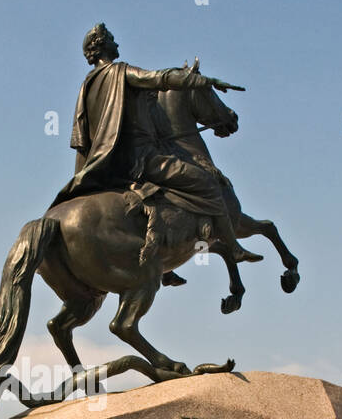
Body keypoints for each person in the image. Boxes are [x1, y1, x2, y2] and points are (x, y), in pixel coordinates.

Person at [51, 23, 262, 266]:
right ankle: (233, 247)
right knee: (208, 183)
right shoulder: (119, 72)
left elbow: (81, 140)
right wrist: (199, 82)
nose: (117, 44)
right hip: (142, 159)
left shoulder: (86, 86)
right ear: (101, 46)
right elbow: (159, 79)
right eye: (111, 39)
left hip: (110, 166)